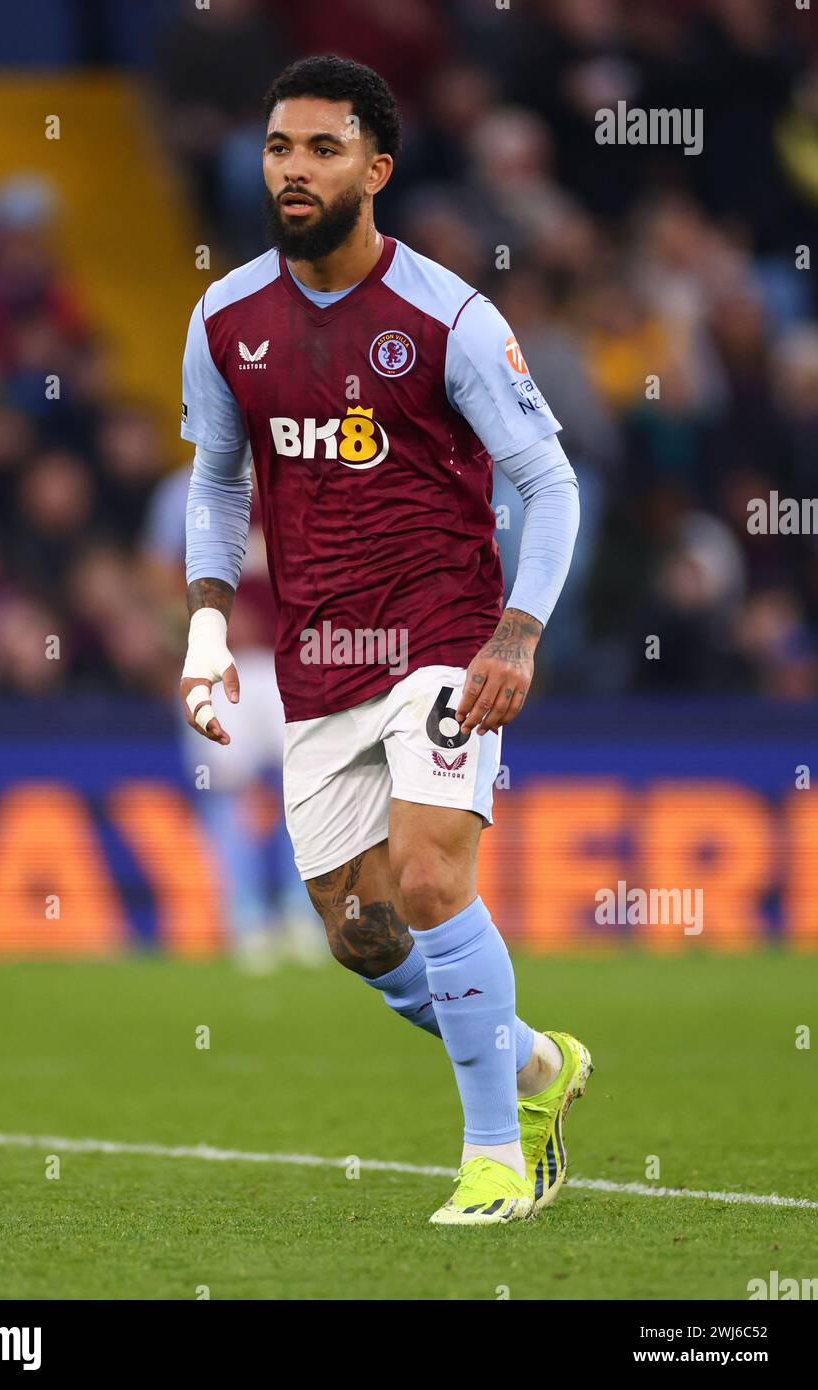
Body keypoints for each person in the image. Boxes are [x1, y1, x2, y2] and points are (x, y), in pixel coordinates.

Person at [178, 55, 591, 1226]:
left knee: (424, 877)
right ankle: (531, 1065)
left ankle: (497, 1158)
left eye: (320, 148)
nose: (293, 169)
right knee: (360, 930)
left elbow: (547, 484)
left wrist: (515, 631)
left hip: (443, 636)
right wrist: (209, 620)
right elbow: (215, 481)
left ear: (377, 167)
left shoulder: (448, 316)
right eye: (277, 148)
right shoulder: (223, 318)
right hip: (316, 661)